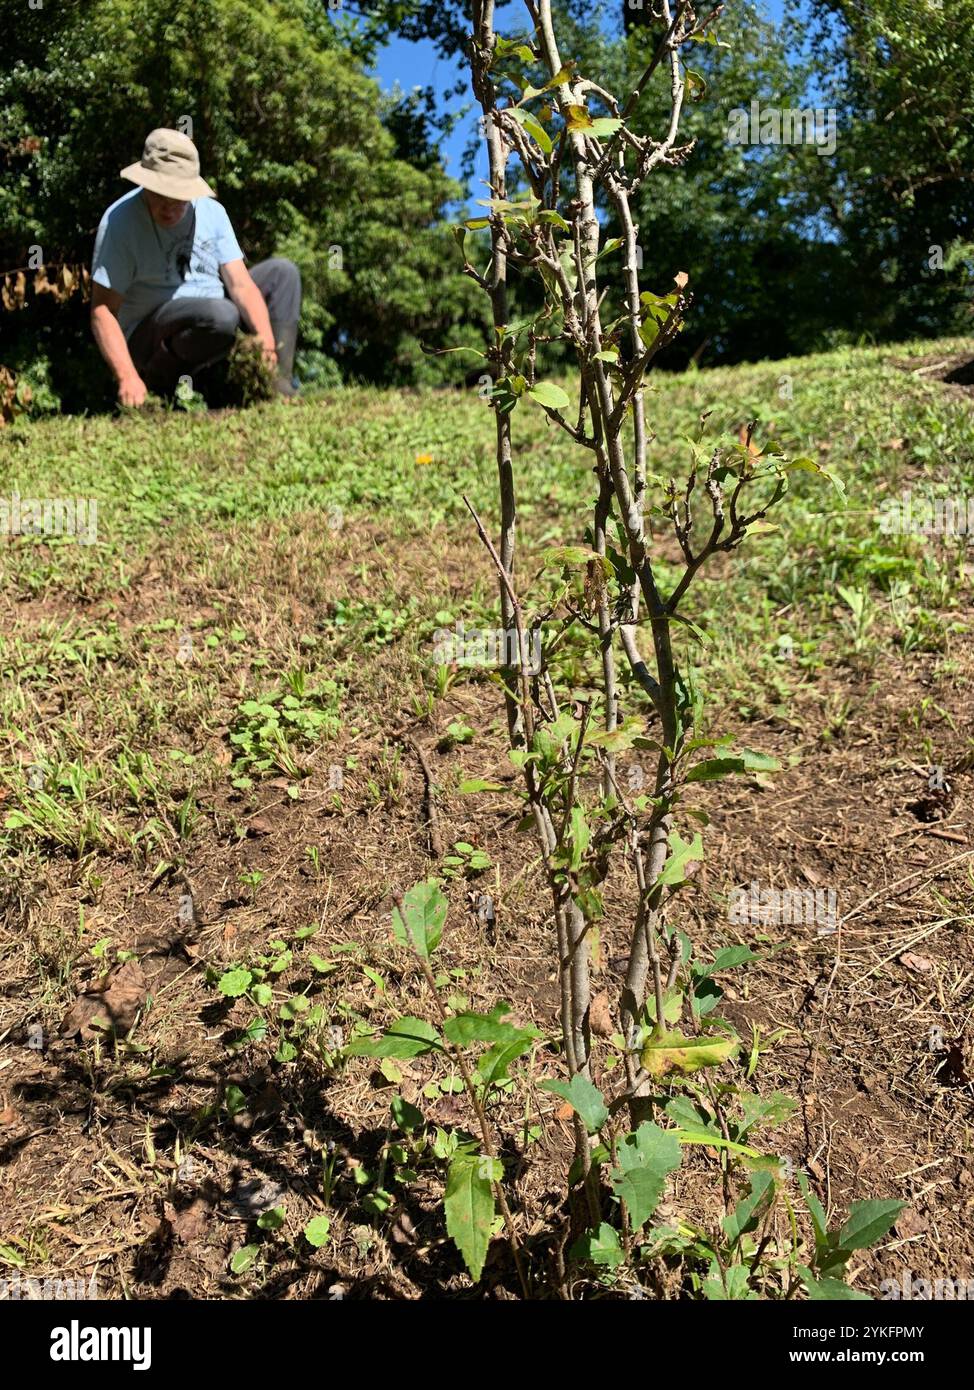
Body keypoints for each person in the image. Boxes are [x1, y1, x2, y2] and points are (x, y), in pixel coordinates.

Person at [90, 128, 301, 406]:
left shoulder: (212, 212)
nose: (169, 208)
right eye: (160, 196)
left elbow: (240, 284)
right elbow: (103, 310)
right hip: (151, 336)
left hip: (212, 318)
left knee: (282, 274)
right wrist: (127, 376)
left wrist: (266, 342)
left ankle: (276, 385)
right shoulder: (120, 222)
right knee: (220, 314)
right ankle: (160, 385)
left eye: (178, 198)